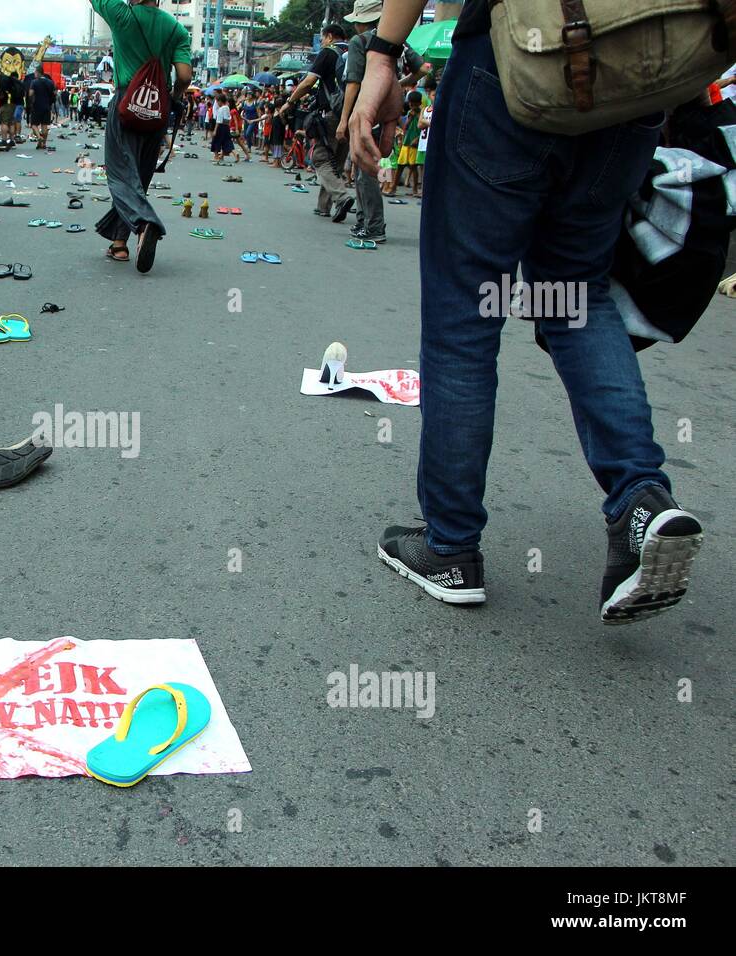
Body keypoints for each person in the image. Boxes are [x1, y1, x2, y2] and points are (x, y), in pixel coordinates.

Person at [349, 0, 703, 622]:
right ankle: (641, 498)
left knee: (465, 313)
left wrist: (382, 54)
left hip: (517, 60)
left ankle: (451, 546)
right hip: (634, 77)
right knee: (575, 297)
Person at [88, 0, 191, 274]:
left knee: (121, 172)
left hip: (126, 104)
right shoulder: (177, 29)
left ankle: (146, 223)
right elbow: (184, 75)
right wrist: (175, 97)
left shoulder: (122, 14)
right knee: (138, 176)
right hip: (158, 108)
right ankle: (119, 242)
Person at [337, 0, 428, 244]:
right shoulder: (400, 42)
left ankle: (373, 225)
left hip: (366, 111)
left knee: (365, 170)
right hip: (389, 111)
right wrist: (398, 85)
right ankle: (363, 221)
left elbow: (354, 83)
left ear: (360, 21)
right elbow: (423, 70)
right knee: (366, 167)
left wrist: (344, 119)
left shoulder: (361, 41)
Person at [279, 23, 351, 218]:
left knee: (320, 157)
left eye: (321, 39)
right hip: (354, 113)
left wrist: (290, 102)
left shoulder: (328, 52)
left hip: (333, 113)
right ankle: (324, 206)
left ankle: (342, 197)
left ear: (328, 36)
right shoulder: (355, 51)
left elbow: (308, 82)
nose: (321, 42)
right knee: (335, 161)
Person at [29, 66, 57, 149]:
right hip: (47, 106)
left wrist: (31, 101)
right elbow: (55, 93)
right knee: (44, 125)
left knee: (34, 124)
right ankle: (43, 144)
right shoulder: (50, 82)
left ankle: (39, 137)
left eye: (35, 73)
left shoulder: (34, 82)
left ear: (38, 72)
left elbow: (30, 94)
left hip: (37, 105)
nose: (34, 74)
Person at [210, 92, 233, 163]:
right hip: (226, 126)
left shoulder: (221, 109)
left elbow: (218, 121)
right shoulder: (227, 108)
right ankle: (222, 155)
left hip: (220, 126)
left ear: (220, 101)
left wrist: (215, 130)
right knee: (225, 141)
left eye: (217, 101)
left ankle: (216, 156)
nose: (217, 103)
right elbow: (228, 118)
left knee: (216, 141)